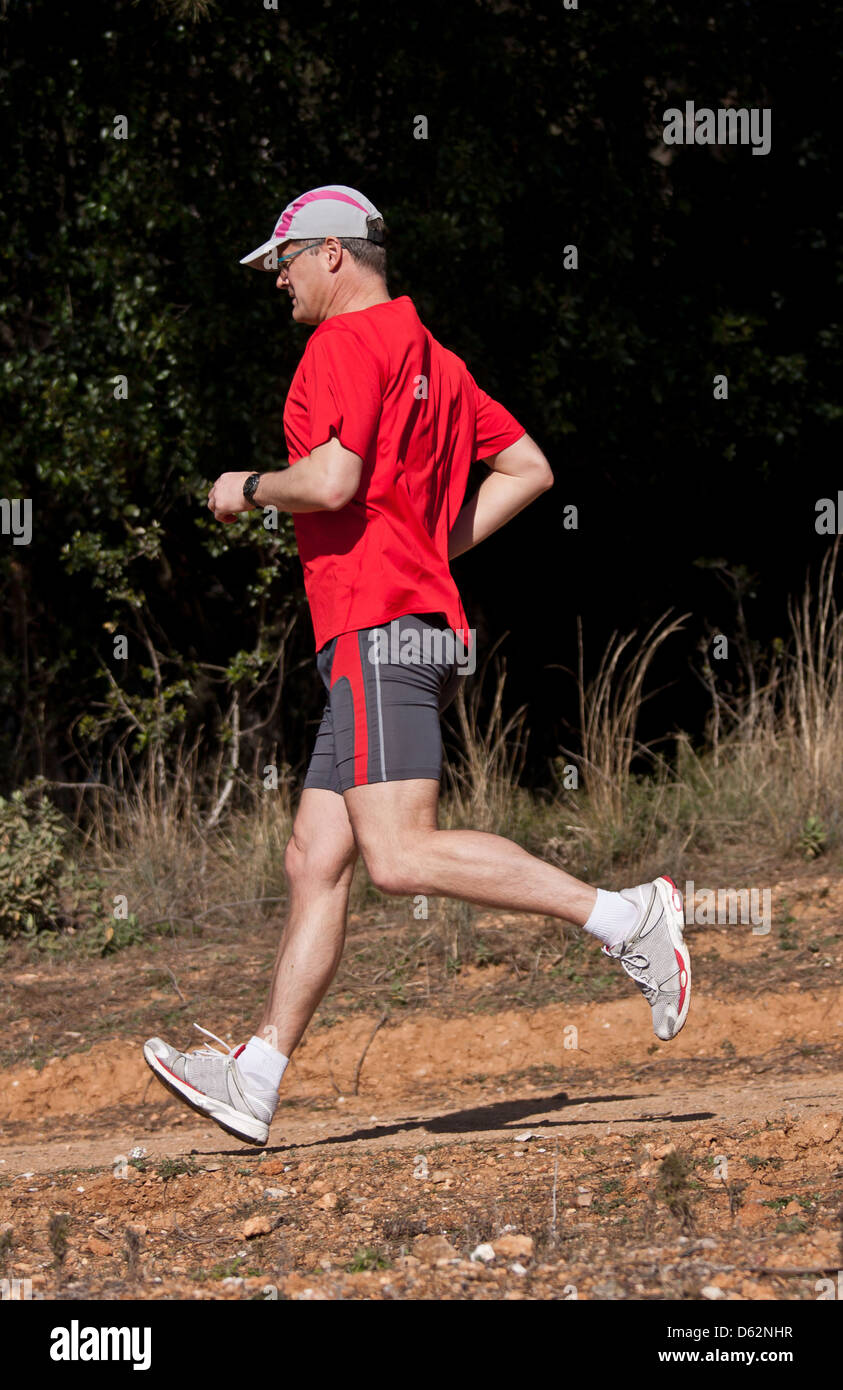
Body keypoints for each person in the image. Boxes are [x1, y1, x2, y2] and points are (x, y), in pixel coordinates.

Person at [144, 185, 691, 1146]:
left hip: (373, 628)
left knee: (396, 857)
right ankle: (256, 1078)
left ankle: (625, 915)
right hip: (408, 622)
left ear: (332, 255)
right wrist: (432, 549)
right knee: (316, 857)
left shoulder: (343, 346)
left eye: (282, 259)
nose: (275, 279)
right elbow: (528, 468)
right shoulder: (435, 357)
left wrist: (247, 488)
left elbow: (331, 481)